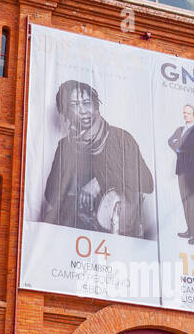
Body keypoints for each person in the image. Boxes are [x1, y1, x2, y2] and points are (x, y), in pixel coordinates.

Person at [40, 80, 154, 238]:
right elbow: (51, 196)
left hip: (117, 234)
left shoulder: (121, 139)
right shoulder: (65, 145)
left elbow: (147, 182)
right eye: (75, 105)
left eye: (87, 103)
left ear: (95, 105)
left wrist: (100, 182)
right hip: (74, 235)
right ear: (66, 111)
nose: (83, 110)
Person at [167, 104, 194, 244]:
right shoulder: (180, 129)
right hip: (181, 170)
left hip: (193, 173)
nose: (185, 115)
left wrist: (180, 147)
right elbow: (171, 141)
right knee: (185, 202)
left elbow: (185, 146)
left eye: (188, 113)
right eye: (184, 113)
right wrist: (179, 149)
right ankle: (191, 230)